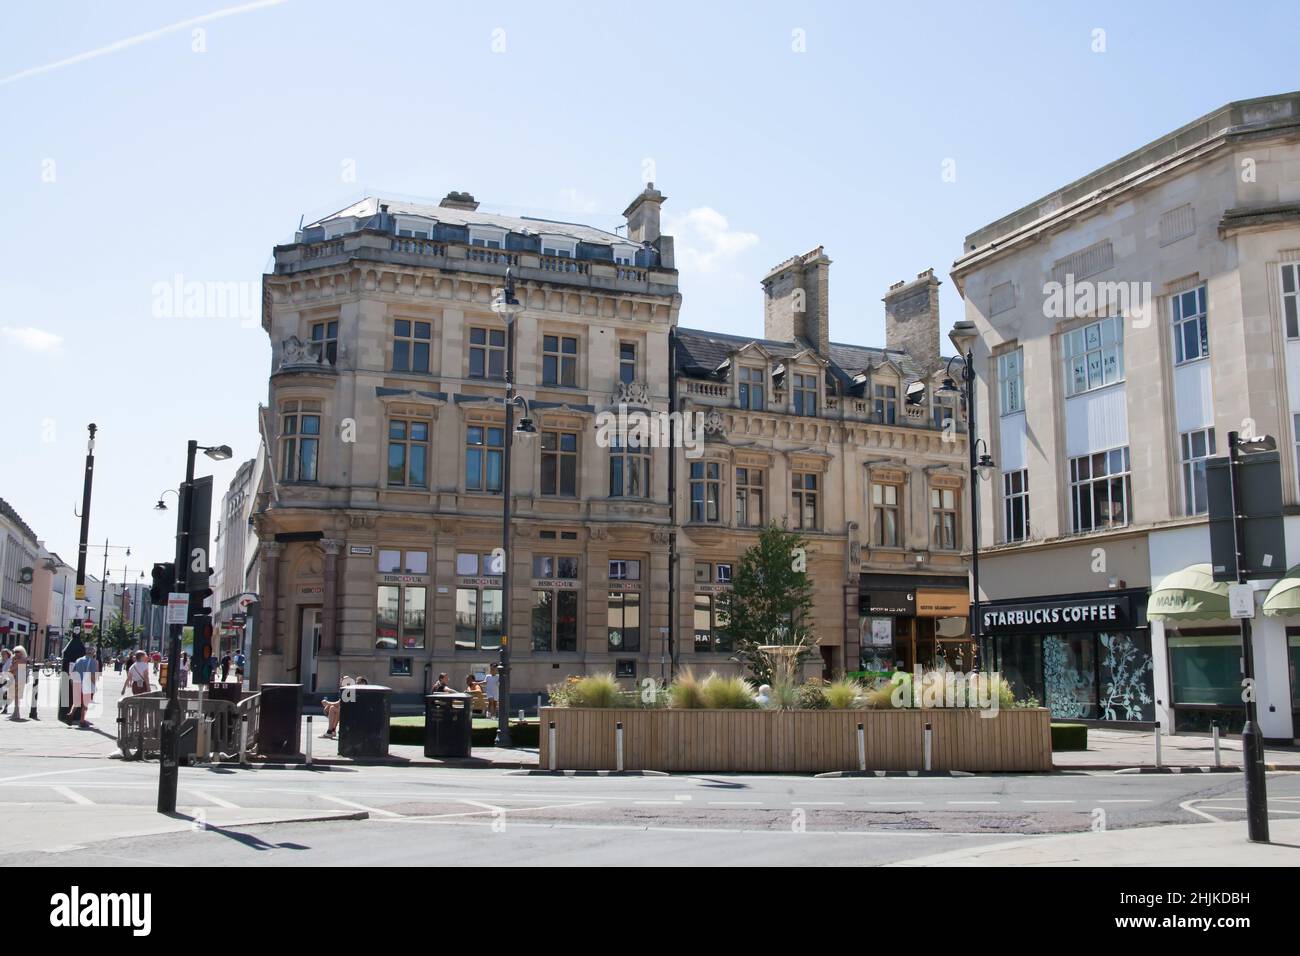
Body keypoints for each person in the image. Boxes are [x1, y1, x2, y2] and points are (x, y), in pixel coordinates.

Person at [72, 646, 99, 728]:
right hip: (87, 684)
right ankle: (82, 720)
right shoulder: (93, 662)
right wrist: (95, 684)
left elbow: (73, 672)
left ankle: (70, 714)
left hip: (78, 683)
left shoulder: (78, 660)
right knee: (85, 704)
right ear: (93, 653)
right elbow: (93, 675)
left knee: (77, 701)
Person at [0, 648, 12, 714]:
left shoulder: (10, 661)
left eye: (4, 654)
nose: (2, 655)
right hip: (1, 679)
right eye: (2, 654)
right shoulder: (1, 661)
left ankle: (5, 708)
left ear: (8, 654)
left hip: (8, 679)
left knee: (6, 694)